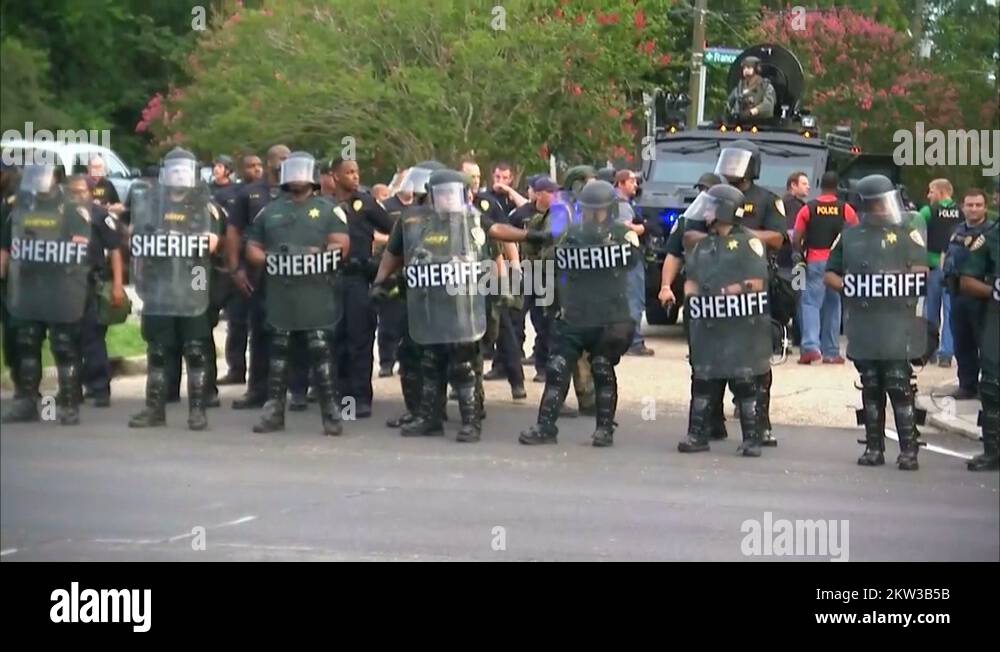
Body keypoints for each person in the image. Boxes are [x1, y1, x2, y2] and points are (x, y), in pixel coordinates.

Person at [372, 168, 537, 442]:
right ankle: (430, 418)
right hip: (428, 305)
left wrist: (528, 238)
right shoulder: (413, 222)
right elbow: (394, 253)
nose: (449, 199)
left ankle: (471, 422)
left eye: (454, 193)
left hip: (465, 305)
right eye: (443, 193)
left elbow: (496, 231)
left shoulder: (472, 220)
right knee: (430, 363)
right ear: (432, 195)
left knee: (464, 365)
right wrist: (379, 282)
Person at [518, 180, 638, 447]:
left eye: (600, 210)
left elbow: (632, 262)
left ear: (610, 210)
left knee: (602, 368)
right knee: (557, 368)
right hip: (575, 314)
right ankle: (545, 426)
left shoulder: (623, 235)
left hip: (609, 316)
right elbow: (553, 262)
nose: (594, 216)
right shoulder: (571, 235)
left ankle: (604, 429)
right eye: (589, 210)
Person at [1, 164, 124, 425]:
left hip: (63, 289)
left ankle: (69, 403)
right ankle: (26, 401)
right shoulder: (19, 212)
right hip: (29, 290)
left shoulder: (72, 212)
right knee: (26, 343)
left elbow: (79, 252)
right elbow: (7, 249)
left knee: (65, 346)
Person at [824, 174, 929, 470]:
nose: (883, 209)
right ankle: (873, 446)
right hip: (865, 319)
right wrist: (849, 286)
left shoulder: (908, 231)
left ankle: (909, 449)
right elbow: (830, 273)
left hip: (897, 318)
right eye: (878, 204)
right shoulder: (851, 235)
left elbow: (922, 269)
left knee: (898, 383)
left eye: (887, 203)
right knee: (870, 384)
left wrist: (893, 280)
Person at [687, 140, 786, 447]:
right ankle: (710, 425)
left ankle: (760, 427)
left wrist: (740, 235)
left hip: (752, 282)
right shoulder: (713, 194)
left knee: (754, 361)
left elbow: (778, 238)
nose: (732, 166)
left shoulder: (768, 199)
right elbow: (688, 231)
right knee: (708, 358)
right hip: (713, 281)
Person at [244, 151, 350, 436]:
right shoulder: (270, 211)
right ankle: (274, 412)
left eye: (302, 171)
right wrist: (268, 259)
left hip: (316, 292)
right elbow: (252, 246)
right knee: (278, 353)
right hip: (281, 293)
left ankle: (331, 413)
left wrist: (309, 255)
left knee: (320, 350)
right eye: (292, 171)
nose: (297, 176)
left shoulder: (329, 210)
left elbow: (341, 245)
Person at [127, 148, 225, 430]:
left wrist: (174, 238)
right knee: (157, 352)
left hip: (192, 286)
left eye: (184, 170)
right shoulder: (150, 205)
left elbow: (211, 243)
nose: (179, 175)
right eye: (174, 169)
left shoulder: (204, 207)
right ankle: (154, 409)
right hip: (159, 288)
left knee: (195, 351)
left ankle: (197, 411)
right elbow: (137, 243)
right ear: (165, 173)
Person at [677, 184, 772, 456]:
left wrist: (724, 292)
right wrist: (693, 299)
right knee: (703, 380)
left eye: (711, 206)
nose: (706, 211)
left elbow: (755, 282)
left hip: (741, 325)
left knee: (744, 381)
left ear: (726, 210)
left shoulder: (749, 243)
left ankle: (752, 439)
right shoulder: (704, 244)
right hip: (709, 325)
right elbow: (692, 282)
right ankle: (697, 436)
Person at [325, 157, 394, 418]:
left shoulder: (365, 203)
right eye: (349, 172)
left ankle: (360, 397)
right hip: (331, 279)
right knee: (335, 340)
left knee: (360, 339)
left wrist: (380, 261)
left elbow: (394, 229)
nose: (355, 176)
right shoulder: (325, 205)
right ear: (335, 176)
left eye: (356, 172)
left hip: (358, 278)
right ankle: (340, 397)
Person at [67, 176, 126, 407]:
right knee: (69, 337)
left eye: (81, 191)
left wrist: (118, 286)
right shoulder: (63, 215)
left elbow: (115, 252)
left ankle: (99, 388)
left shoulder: (101, 216)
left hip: (92, 282)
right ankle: (73, 387)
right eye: (72, 192)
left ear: (91, 192)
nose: (76, 196)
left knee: (92, 337)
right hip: (67, 284)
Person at [793, 171, 857, 364]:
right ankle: (831, 351)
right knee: (833, 305)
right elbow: (856, 233)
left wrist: (799, 252)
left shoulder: (808, 208)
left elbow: (796, 236)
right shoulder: (846, 209)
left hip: (814, 260)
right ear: (837, 187)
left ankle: (811, 348)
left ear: (821, 186)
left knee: (810, 304)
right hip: (836, 266)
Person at [942, 189, 993, 400]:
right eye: (970, 205)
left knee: (986, 344)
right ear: (962, 207)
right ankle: (967, 385)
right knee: (962, 343)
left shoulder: (991, 233)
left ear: (985, 208)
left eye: (978, 205)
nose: (973, 209)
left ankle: (988, 387)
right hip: (957, 294)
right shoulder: (957, 230)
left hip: (981, 296)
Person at [958, 214, 999, 471]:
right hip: (996, 320)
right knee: (992, 387)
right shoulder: (992, 236)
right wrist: (995, 291)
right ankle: (993, 451)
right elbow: (967, 280)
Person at [914, 178, 963, 367]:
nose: (928, 195)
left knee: (930, 310)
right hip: (953, 269)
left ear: (941, 192)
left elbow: (913, 233)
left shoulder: (928, 211)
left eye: (931, 191)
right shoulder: (961, 212)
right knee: (950, 312)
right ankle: (946, 354)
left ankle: (929, 350)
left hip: (932, 267)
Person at [615, 169, 653, 356]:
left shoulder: (621, 203)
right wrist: (645, 227)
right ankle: (634, 342)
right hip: (629, 256)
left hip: (621, 256)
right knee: (634, 299)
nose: (635, 185)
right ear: (621, 183)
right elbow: (624, 228)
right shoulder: (621, 205)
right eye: (632, 182)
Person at [726, 55, 775, 122]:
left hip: (761, 123)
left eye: (748, 67)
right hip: (741, 123)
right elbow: (729, 103)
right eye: (744, 68)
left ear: (757, 69)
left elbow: (768, 106)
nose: (745, 70)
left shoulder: (766, 86)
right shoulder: (740, 87)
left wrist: (752, 111)